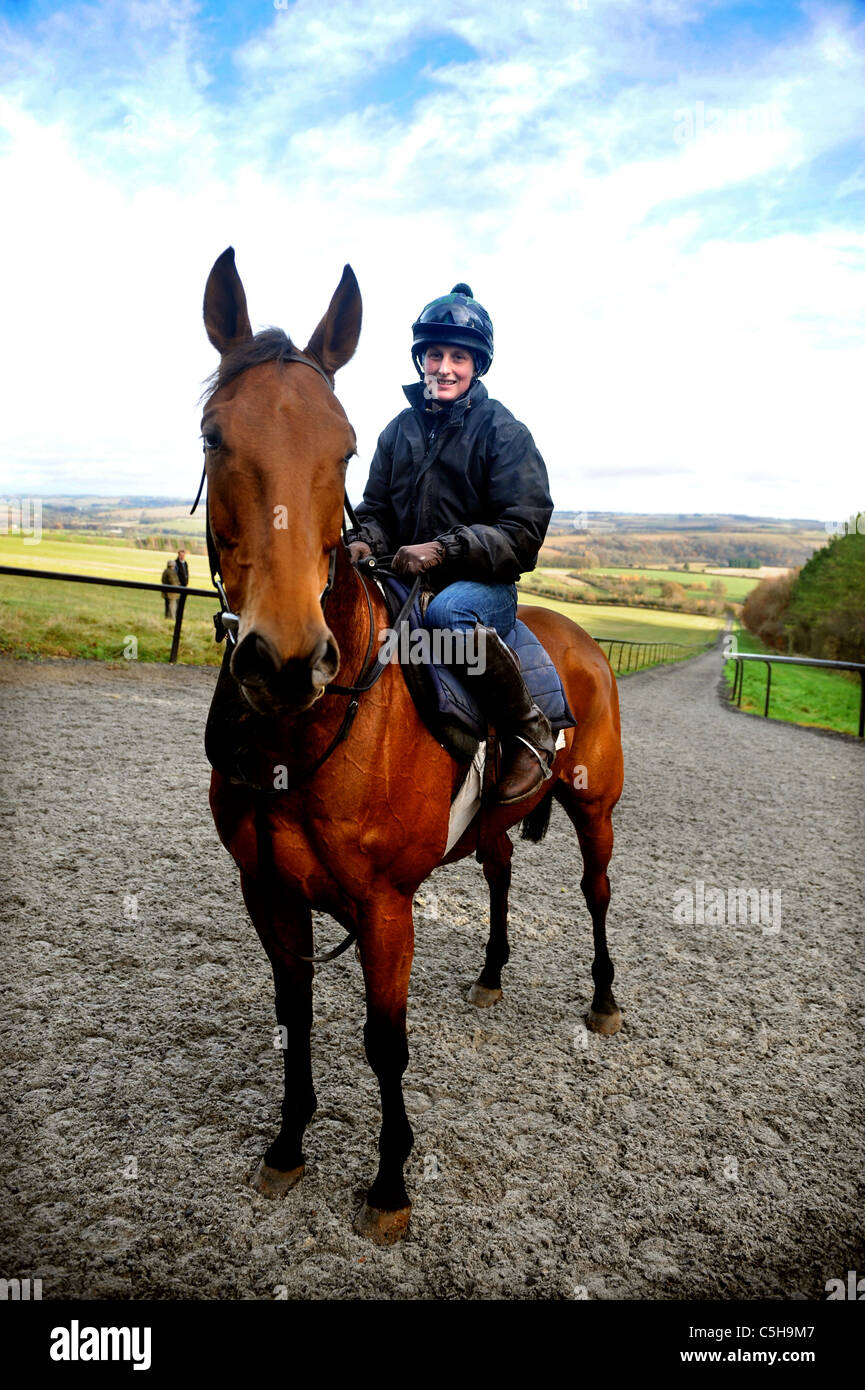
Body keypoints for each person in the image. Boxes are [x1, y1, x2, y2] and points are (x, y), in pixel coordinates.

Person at [346, 283, 556, 803]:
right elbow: (374, 510)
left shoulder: (505, 432)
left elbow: (524, 530)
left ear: (476, 366)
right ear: (420, 358)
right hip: (403, 576)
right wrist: (362, 542)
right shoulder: (397, 431)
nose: (444, 367)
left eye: (457, 357)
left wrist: (444, 550)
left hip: (480, 587)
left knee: (447, 618)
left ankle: (530, 733)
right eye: (434, 354)